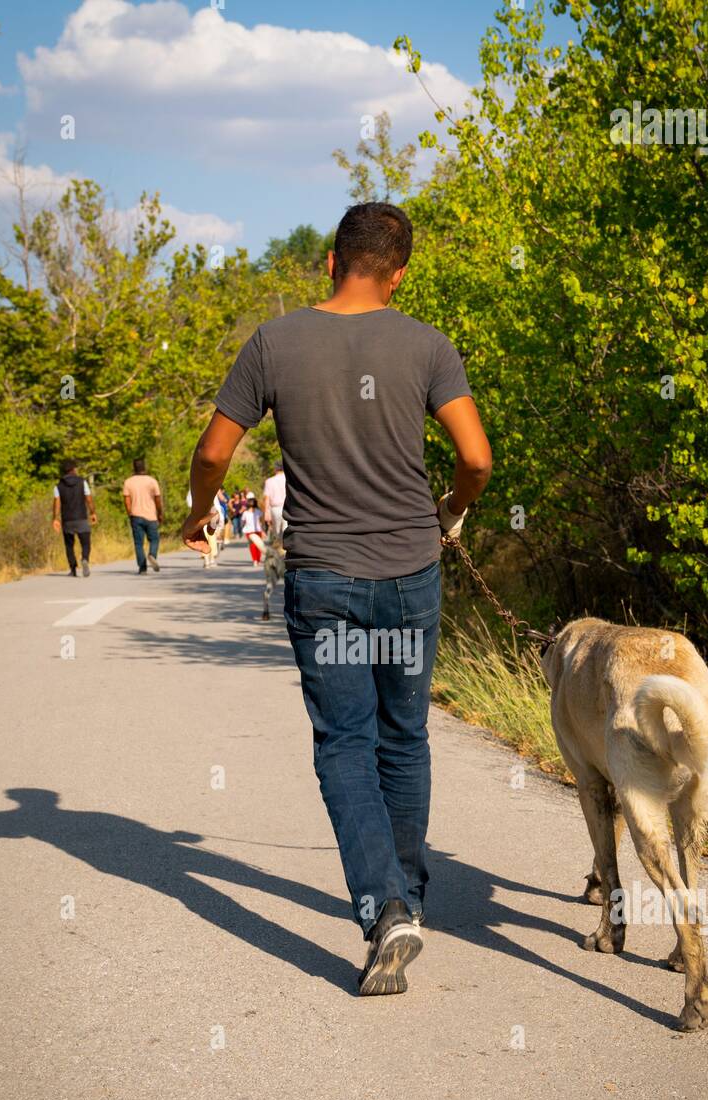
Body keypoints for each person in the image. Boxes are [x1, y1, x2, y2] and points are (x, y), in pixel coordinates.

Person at [183, 201, 492, 997]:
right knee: (403, 739)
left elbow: (214, 452)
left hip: (324, 580)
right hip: (410, 575)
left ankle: (386, 907)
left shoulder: (274, 341)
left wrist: (196, 512)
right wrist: (449, 515)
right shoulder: (427, 345)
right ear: (401, 272)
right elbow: (477, 457)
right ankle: (406, 902)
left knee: (343, 747)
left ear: (329, 260)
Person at [52, 462, 97, 577]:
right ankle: (85, 559)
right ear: (73, 470)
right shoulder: (83, 482)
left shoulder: (58, 486)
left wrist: (55, 519)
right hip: (81, 518)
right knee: (86, 543)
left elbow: (57, 503)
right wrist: (92, 512)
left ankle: (73, 569)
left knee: (69, 545)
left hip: (67, 520)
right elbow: (89, 499)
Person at [122, 458, 163, 574]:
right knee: (154, 539)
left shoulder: (128, 482)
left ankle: (142, 567)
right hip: (151, 516)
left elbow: (127, 501)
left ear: (133, 468)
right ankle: (152, 555)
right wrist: (160, 513)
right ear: (145, 467)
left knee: (138, 543)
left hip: (136, 516)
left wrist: (130, 514)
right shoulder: (152, 481)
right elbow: (158, 499)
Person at [261, 462, 287, 539]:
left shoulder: (269, 481)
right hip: (288, 507)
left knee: (277, 531)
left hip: (275, 508)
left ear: (275, 469)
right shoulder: (288, 479)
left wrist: (266, 512)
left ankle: (279, 546)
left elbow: (267, 498)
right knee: (286, 530)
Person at [241, 492, 265, 564]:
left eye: (252, 500)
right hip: (249, 531)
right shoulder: (245, 513)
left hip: (258, 530)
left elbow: (262, 521)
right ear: (247, 502)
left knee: (259, 545)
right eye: (250, 500)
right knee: (252, 545)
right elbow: (243, 521)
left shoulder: (258, 511)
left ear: (255, 501)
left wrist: (263, 530)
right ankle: (255, 560)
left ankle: (258, 559)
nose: (251, 502)